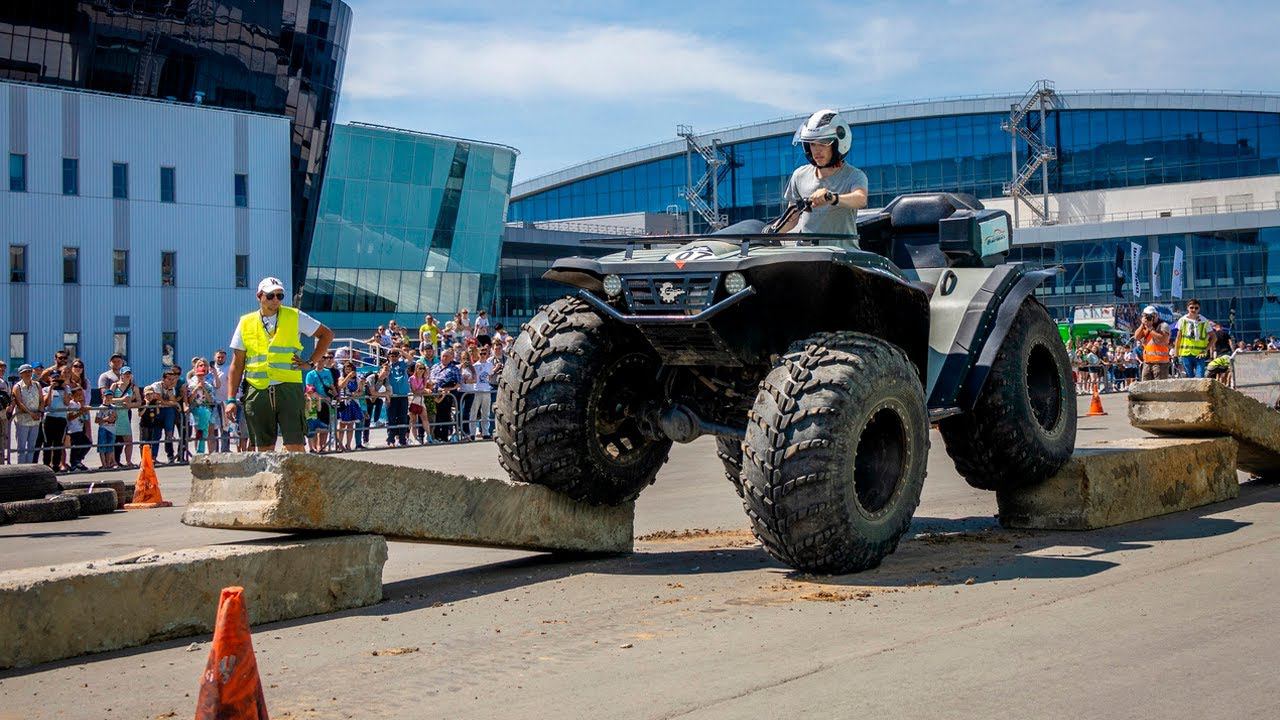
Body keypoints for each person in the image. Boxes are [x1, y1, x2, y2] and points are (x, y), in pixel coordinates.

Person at [224, 277, 333, 452]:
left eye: (280, 295)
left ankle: (296, 479)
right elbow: (237, 364)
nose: (276, 299)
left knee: (295, 445)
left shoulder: (294, 316)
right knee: (262, 448)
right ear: (259, 296)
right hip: (256, 389)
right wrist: (230, 399)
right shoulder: (246, 322)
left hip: (288, 387)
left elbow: (326, 335)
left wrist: (310, 362)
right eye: (270, 295)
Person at [775, 108, 869, 242]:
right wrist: (768, 235)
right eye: (812, 144)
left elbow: (860, 199)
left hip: (842, 254)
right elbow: (792, 218)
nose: (817, 150)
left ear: (839, 143)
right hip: (809, 255)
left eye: (823, 143)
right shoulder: (799, 175)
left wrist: (831, 197)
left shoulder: (854, 175)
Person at [1174, 299, 1214, 379]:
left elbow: (1214, 337)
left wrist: (1206, 350)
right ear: (1187, 308)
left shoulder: (1204, 321)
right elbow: (1178, 339)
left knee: (1200, 378)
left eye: (1196, 308)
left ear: (1199, 309)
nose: (1194, 310)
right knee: (1189, 379)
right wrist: (1176, 355)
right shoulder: (1182, 320)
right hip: (1186, 354)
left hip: (1199, 354)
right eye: (1191, 307)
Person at [12, 364, 44, 464]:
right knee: (21, 447)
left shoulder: (37, 385)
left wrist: (39, 412)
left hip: (35, 421)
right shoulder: (17, 387)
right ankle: (21, 469)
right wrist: (31, 413)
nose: (28, 373)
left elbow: (41, 400)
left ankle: (30, 468)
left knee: (32, 447)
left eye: (29, 371)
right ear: (20, 374)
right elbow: (19, 402)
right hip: (23, 420)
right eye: (25, 372)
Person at [109, 368, 141, 467]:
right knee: (113, 440)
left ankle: (128, 461)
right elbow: (108, 399)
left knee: (129, 441)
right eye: (125, 373)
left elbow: (139, 402)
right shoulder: (115, 385)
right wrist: (121, 400)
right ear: (121, 375)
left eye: (129, 373)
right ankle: (113, 461)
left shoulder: (133, 387)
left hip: (125, 415)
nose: (127, 375)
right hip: (114, 415)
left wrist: (130, 405)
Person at [429, 349, 461, 442]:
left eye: (447, 356)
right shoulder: (435, 366)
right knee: (435, 415)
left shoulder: (454, 368)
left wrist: (448, 389)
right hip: (434, 393)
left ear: (451, 358)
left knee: (445, 415)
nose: (444, 358)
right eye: (443, 356)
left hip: (447, 394)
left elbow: (458, 384)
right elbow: (430, 379)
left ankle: (444, 436)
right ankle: (436, 435)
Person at [41, 371, 70, 471]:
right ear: (49, 379)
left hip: (61, 419)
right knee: (47, 443)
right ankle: (46, 465)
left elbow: (67, 403)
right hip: (49, 418)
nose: (55, 380)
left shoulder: (66, 389)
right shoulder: (45, 389)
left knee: (58, 443)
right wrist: (51, 389)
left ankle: (56, 465)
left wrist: (65, 388)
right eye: (53, 378)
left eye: (57, 378)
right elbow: (46, 403)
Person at [1134, 305, 1172, 381]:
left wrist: (1151, 329)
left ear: (1155, 315)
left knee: (1160, 387)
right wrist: (1142, 324)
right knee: (1145, 386)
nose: (1148, 318)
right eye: (1146, 316)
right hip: (1147, 362)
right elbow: (1137, 337)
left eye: (1150, 316)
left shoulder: (1163, 325)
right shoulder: (1145, 326)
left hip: (1160, 362)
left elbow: (1163, 339)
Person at [384, 349, 411, 446]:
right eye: (391, 356)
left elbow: (410, 359)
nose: (393, 357)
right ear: (388, 357)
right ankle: (391, 440)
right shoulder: (385, 366)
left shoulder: (401, 364)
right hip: (391, 396)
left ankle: (402, 440)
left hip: (403, 395)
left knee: (403, 418)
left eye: (395, 355)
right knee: (391, 419)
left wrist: (400, 350)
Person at [335, 361, 364, 451]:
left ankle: (348, 444)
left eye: (350, 369)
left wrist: (356, 394)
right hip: (344, 403)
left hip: (353, 403)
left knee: (351, 425)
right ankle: (339, 444)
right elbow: (340, 386)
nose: (348, 371)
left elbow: (361, 391)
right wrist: (348, 377)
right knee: (342, 425)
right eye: (346, 369)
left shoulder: (357, 379)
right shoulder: (341, 378)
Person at [64, 387, 91, 471]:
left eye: (81, 395)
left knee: (87, 443)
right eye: (78, 395)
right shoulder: (71, 404)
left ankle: (78, 460)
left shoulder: (78, 404)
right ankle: (74, 463)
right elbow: (70, 417)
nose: (80, 397)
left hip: (79, 428)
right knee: (75, 446)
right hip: (73, 429)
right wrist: (80, 412)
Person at [471, 345, 495, 439]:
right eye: (481, 353)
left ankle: (485, 432)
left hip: (486, 390)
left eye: (484, 353)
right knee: (474, 412)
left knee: (486, 413)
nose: (483, 355)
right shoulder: (475, 366)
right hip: (477, 390)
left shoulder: (489, 365)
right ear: (478, 354)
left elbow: (490, 375)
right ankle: (472, 433)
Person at [0, 359, 11, 464]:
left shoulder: (5, 383)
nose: (2, 370)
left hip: (3, 414)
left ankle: (2, 462)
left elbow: (9, 397)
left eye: (3, 368)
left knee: (3, 438)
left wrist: (9, 407)